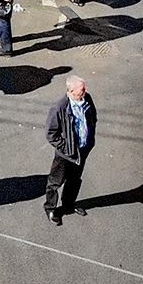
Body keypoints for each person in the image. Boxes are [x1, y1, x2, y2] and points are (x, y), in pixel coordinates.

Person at [44, 75, 96, 226]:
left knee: (74, 180)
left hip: (82, 150)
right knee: (55, 183)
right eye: (81, 90)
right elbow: (50, 134)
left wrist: (89, 139)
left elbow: (93, 117)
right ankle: (50, 209)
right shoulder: (59, 108)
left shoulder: (87, 99)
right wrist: (66, 147)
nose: (84, 92)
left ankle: (68, 205)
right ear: (71, 91)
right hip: (65, 155)